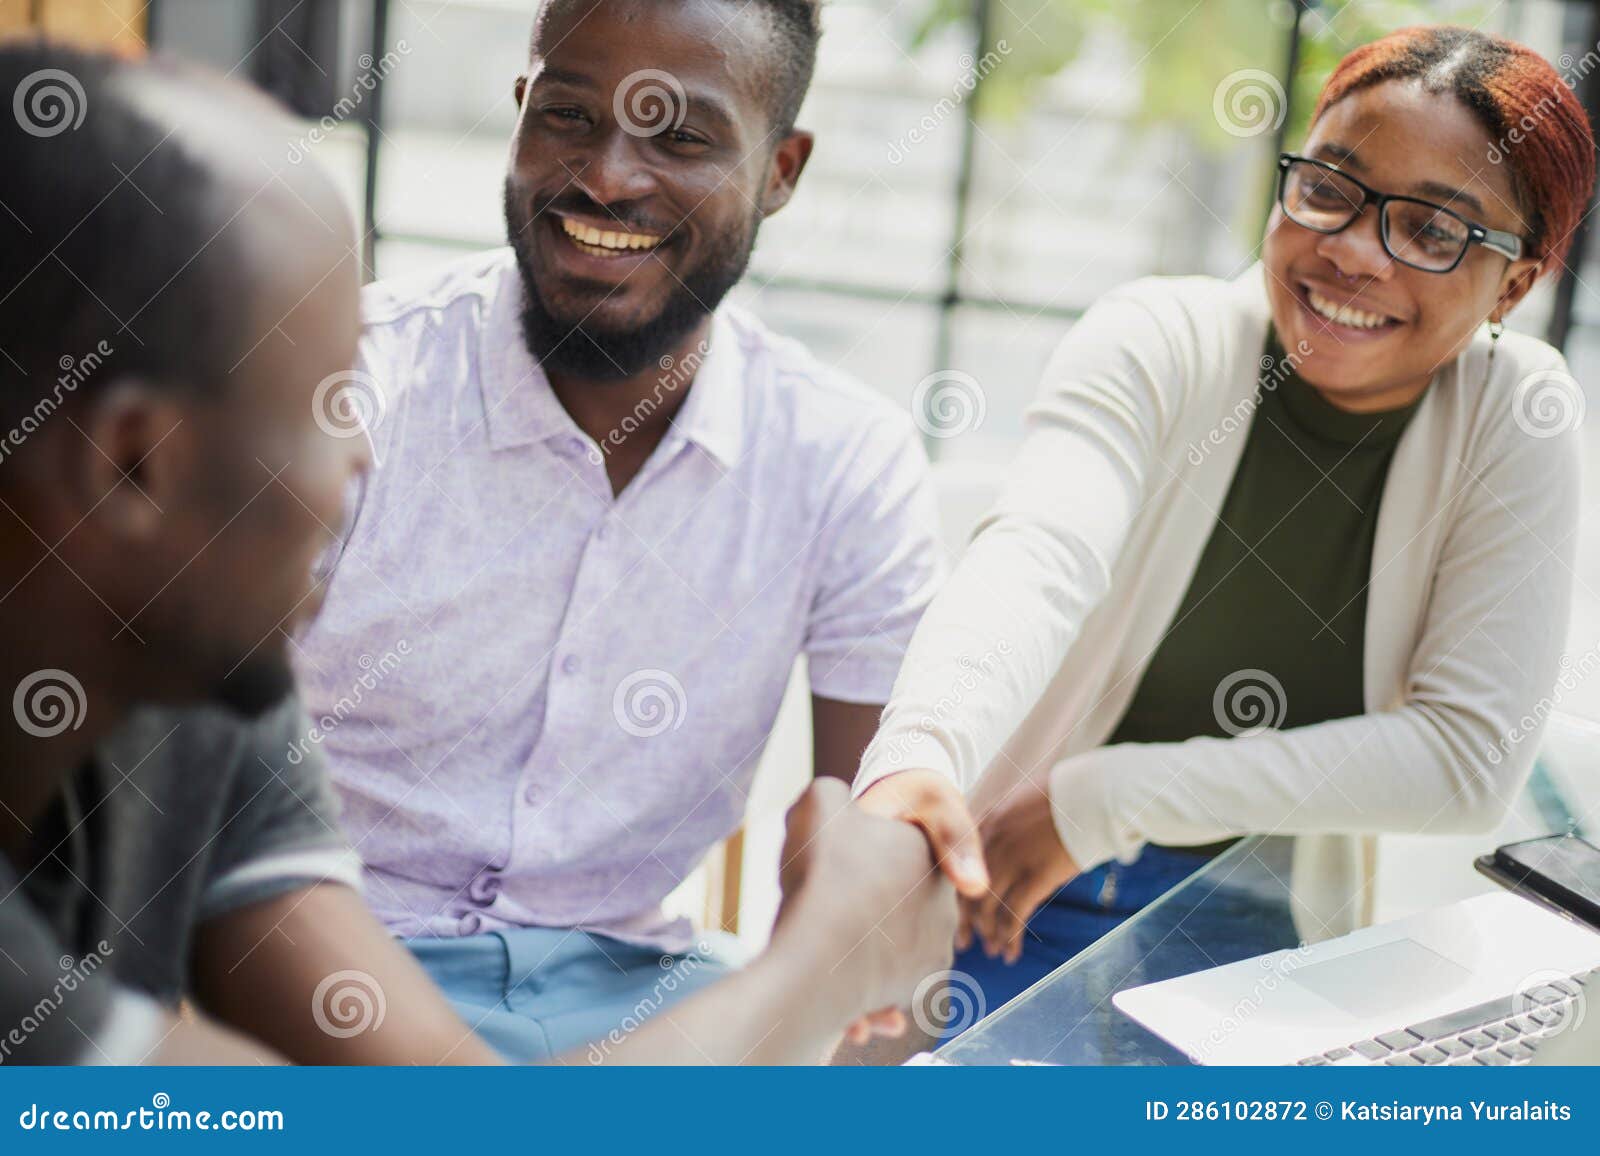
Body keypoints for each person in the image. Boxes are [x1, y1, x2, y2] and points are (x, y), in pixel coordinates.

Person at [0, 38, 955, 1066]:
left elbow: (450, 1108)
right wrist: (818, 964)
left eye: (677, 136)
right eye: (320, 408)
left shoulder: (216, 705)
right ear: (136, 462)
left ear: (783, 169)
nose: (362, 449)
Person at [853, 24, 1596, 1026]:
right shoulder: (1159, 338)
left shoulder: (1517, 414)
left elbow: (1463, 757)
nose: (1350, 252)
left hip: (1252, 924)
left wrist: (1103, 799)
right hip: (998, 882)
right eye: (1329, 187)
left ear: (1513, 281)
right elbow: (1035, 559)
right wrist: (919, 761)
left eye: (1430, 231)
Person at [289, 0, 986, 1061]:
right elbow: (169, 829)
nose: (608, 178)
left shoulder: (845, 459)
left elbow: (883, 885)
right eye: (569, 116)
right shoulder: (347, 383)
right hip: (309, 973)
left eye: (683, 136)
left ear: (782, 171)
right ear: (521, 113)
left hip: (643, 1003)